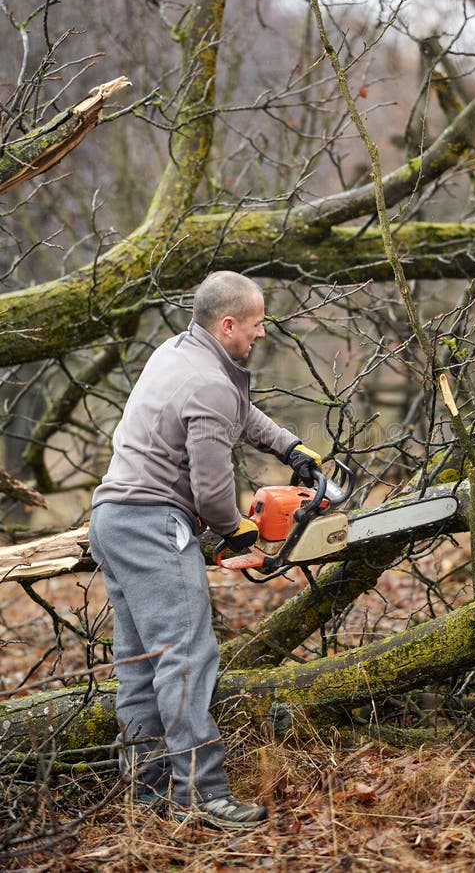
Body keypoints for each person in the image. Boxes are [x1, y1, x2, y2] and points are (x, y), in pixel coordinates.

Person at [88, 270, 321, 830]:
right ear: (228, 323)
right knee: (187, 656)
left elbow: (233, 414)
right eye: (257, 323)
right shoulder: (210, 383)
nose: (261, 334)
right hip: (153, 524)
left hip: (113, 518)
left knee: (141, 665)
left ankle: (147, 795)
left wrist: (289, 446)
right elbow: (213, 488)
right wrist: (236, 528)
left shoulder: (179, 351)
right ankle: (202, 794)